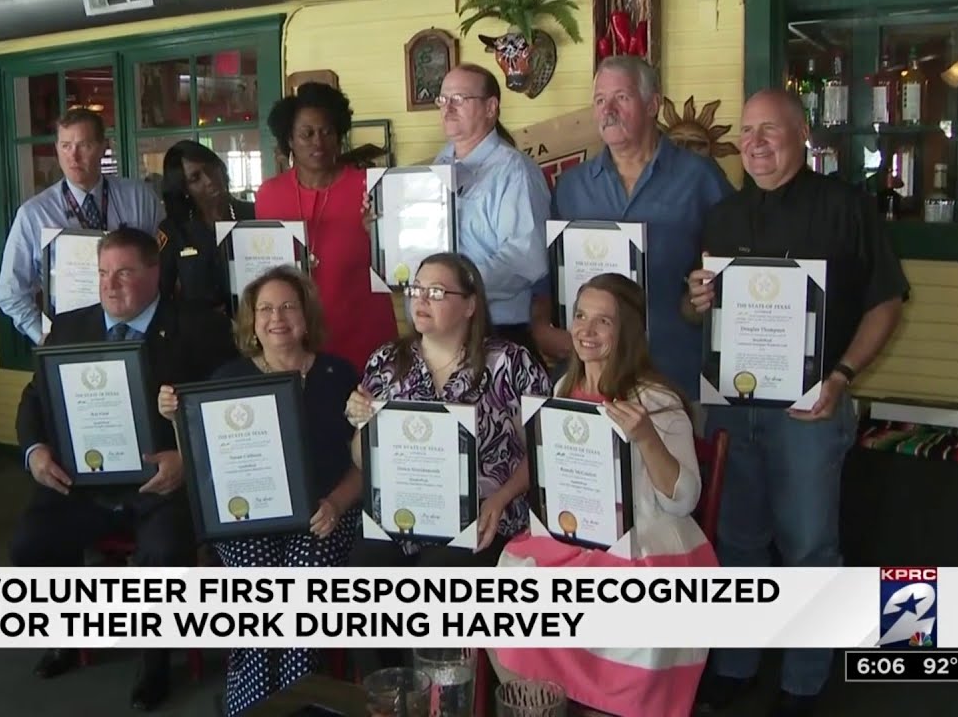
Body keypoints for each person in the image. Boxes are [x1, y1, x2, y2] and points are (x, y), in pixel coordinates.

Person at [685, 89, 908, 716]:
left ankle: (804, 679)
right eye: (747, 131)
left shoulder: (846, 207)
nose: (755, 143)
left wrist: (840, 376)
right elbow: (694, 309)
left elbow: (886, 302)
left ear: (802, 135)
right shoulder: (724, 215)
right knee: (738, 540)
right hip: (736, 405)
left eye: (770, 131)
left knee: (809, 545)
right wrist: (694, 300)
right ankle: (737, 662)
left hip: (812, 409)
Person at [9, 226, 238, 711]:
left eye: (125, 272)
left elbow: (228, 406)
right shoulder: (70, 326)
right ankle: (68, 633)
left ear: (154, 273)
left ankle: (155, 662)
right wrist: (36, 451)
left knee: (162, 553)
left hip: (164, 485)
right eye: (102, 273)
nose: (110, 285)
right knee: (30, 543)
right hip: (81, 482)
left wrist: (187, 458)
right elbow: (34, 399)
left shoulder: (200, 327)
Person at [491, 273, 717, 717]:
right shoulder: (560, 390)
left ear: (627, 331)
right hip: (571, 536)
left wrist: (647, 437)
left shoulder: (656, 400)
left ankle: (602, 705)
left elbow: (683, 499)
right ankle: (545, 706)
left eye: (603, 322)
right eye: (580, 316)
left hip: (643, 537)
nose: (586, 331)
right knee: (506, 593)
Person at [158, 265, 361, 716]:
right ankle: (251, 708)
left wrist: (335, 504)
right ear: (251, 321)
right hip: (250, 520)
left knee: (301, 600)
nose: (277, 317)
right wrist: (177, 421)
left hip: (322, 516)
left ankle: (297, 705)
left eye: (288, 306)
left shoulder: (339, 375)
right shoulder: (228, 377)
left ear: (306, 318)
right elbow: (204, 464)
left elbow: (362, 467)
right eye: (265, 308)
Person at [344, 252, 552, 669]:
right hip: (403, 512)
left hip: (483, 514)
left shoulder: (510, 362)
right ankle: (385, 701)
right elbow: (364, 460)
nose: (421, 299)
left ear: (470, 305)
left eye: (437, 292)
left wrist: (500, 499)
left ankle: (439, 700)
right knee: (361, 581)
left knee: (434, 585)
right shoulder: (387, 362)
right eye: (417, 289)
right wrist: (361, 426)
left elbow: (544, 449)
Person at [535, 55, 732, 396]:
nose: (607, 109)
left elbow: (731, 260)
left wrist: (703, 288)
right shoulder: (571, 187)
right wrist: (540, 327)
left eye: (621, 98)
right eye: (600, 100)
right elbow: (548, 275)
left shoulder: (700, 177)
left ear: (652, 104)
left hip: (672, 373)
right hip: (592, 379)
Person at [254, 82, 398, 373]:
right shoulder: (269, 194)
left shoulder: (371, 186)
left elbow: (400, 265)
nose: (318, 142)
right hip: (297, 343)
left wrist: (384, 237)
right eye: (307, 134)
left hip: (364, 335)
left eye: (327, 132)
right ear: (290, 140)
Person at [0, 108, 164, 344]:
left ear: (104, 147)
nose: (73, 157)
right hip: (71, 336)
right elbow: (10, 293)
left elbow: (162, 263)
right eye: (65, 146)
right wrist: (46, 340)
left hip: (140, 332)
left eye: (83, 146)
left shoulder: (139, 197)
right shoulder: (33, 215)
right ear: (56, 148)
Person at [432, 65, 551, 358]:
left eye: (459, 98)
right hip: (440, 331)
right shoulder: (438, 164)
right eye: (443, 99)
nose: (448, 108)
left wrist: (458, 289)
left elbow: (526, 257)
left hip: (496, 335)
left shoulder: (515, 171)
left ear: (491, 107)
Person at [156, 139, 255, 315]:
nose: (209, 180)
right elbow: (162, 291)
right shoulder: (174, 230)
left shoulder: (253, 214)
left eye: (210, 169)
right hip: (199, 333)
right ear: (184, 188)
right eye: (195, 178)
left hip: (255, 325)